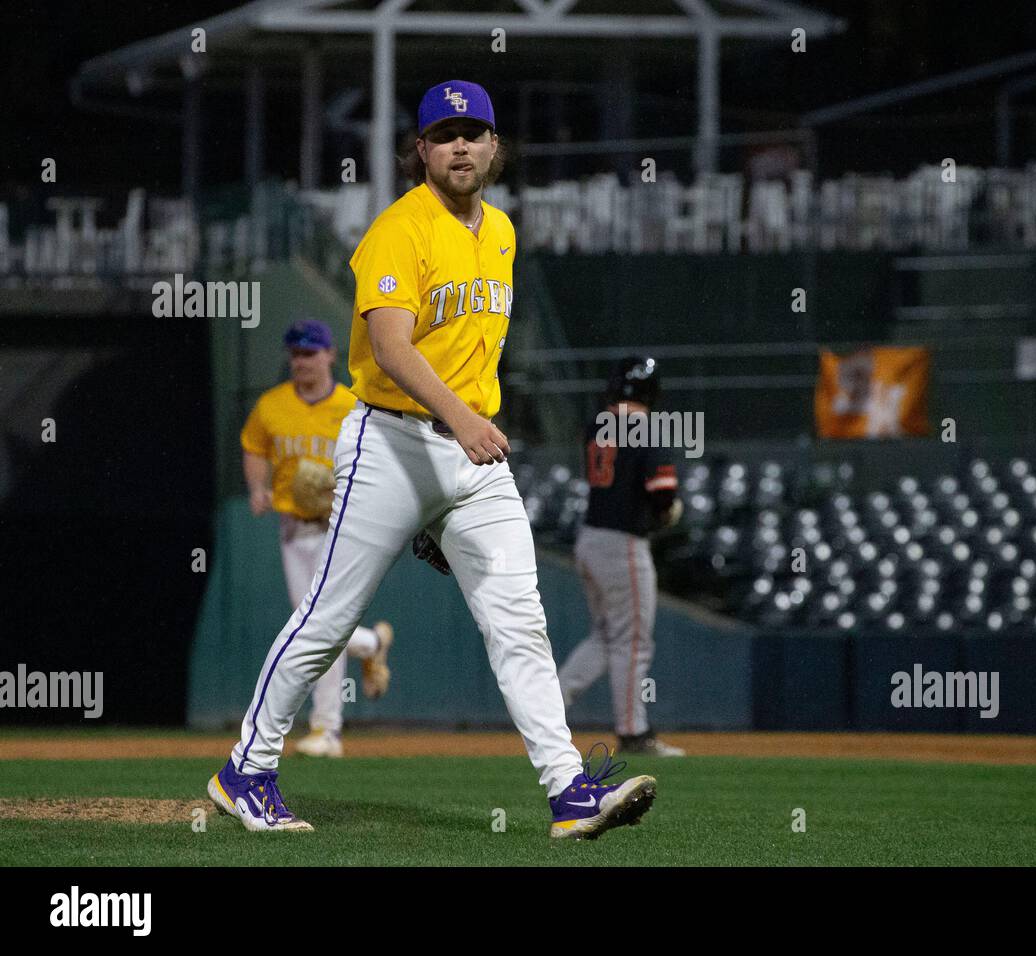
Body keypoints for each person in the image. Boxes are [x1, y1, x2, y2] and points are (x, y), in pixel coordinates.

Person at [207, 80, 656, 839]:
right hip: (391, 440)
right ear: (419, 149)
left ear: (494, 146)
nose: (460, 145)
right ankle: (245, 772)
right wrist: (455, 431)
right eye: (444, 133)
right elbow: (389, 345)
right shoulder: (398, 228)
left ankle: (570, 791)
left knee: (520, 620)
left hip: (471, 457)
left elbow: (473, 351)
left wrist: (453, 474)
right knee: (328, 617)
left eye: (473, 132)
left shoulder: (504, 232)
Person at [239, 320, 395, 759]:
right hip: (292, 527)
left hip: (338, 526)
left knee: (317, 623)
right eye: (295, 354)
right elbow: (253, 446)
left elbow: (377, 459)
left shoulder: (352, 405)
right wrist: (257, 488)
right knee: (315, 622)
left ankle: (327, 729)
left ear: (330, 355)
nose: (302, 361)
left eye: (310, 353)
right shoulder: (272, 405)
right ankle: (372, 644)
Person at [558, 357, 686, 756]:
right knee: (632, 643)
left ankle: (547, 706)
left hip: (590, 538)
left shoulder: (597, 423)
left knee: (605, 636)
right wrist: (666, 512)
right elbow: (662, 490)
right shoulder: (645, 425)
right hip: (622, 545)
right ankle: (633, 732)